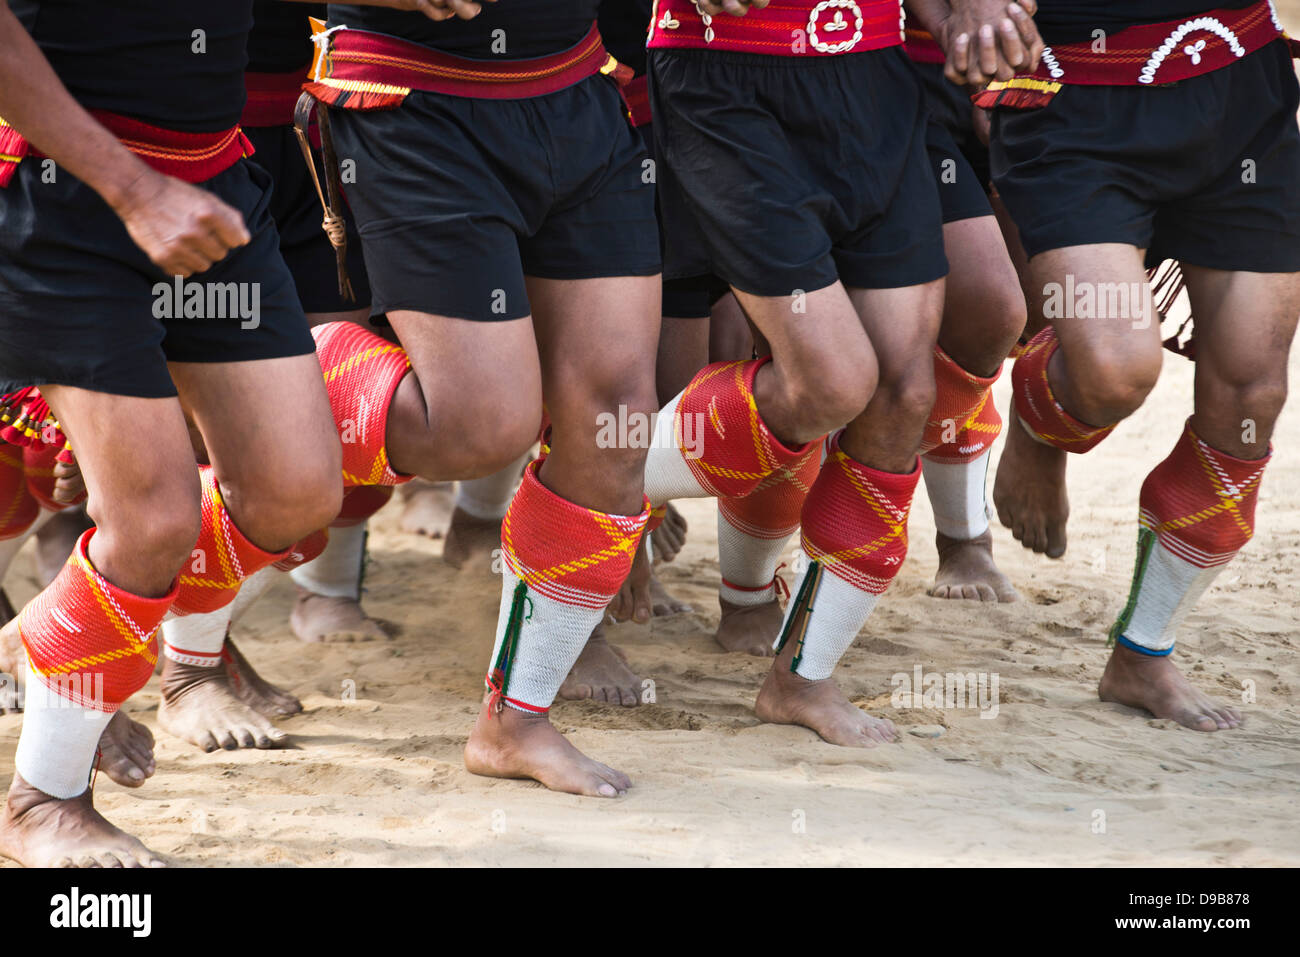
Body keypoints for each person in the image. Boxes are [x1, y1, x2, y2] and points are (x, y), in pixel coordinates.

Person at [0, 0, 364, 866]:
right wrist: (133, 189)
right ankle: (42, 798)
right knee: (150, 523)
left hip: (212, 182)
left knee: (295, 492)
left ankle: (57, 637)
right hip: (63, 196)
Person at [639, 0, 1041, 746]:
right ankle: (594, 487)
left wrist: (957, 15)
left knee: (903, 391)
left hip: (874, 73)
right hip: (725, 74)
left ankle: (802, 676)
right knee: (827, 379)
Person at [305, 0, 662, 795]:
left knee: (613, 422)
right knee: (478, 424)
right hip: (413, 101)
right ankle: (269, 376)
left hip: (576, 86)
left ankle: (515, 721)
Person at [983, 0, 1299, 729]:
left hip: (1239, 84)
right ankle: (1042, 427)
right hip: (1072, 95)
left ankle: (1144, 651)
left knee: (1254, 394)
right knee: (1113, 369)